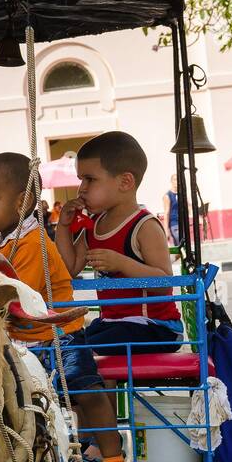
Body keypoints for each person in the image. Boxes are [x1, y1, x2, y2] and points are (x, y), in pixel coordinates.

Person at [0, 153, 131, 462]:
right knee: (21, 405)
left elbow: (15, 292)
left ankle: (115, 461)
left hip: (60, 337)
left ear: (22, 202)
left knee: (85, 393)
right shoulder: (6, 242)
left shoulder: (33, 243)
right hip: (23, 341)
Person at [55, 130, 183, 362]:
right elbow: (69, 268)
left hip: (155, 327)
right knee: (71, 341)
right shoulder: (94, 226)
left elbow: (164, 284)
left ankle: (100, 397)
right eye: (80, 180)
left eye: (90, 179)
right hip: (112, 324)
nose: (81, 189)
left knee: (92, 347)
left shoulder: (144, 226)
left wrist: (121, 263)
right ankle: (102, 398)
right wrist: (63, 227)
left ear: (125, 182)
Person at [162, 175, 180, 246]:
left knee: (181, 247)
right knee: (181, 245)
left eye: (178, 179)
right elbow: (166, 213)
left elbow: (189, 207)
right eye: (175, 179)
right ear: (171, 181)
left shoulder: (181, 194)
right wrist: (166, 230)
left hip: (182, 223)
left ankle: (177, 257)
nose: (177, 182)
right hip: (174, 224)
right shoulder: (167, 196)